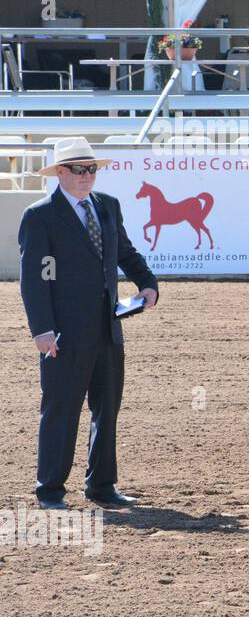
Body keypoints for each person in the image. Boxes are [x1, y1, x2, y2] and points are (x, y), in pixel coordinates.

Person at [18, 137, 159, 510]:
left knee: (107, 410)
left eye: (91, 169)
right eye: (78, 170)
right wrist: (42, 330)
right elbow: (34, 279)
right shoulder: (40, 216)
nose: (86, 176)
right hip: (63, 335)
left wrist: (146, 282)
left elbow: (125, 251)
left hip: (107, 330)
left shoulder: (108, 207)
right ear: (60, 172)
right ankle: (49, 489)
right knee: (61, 411)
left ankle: (101, 486)